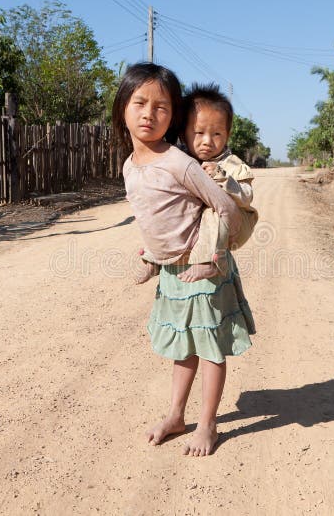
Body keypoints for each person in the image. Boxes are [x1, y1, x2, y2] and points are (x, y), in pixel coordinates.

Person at [114, 62, 256, 456]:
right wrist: (154, 255)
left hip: (206, 270)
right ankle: (176, 415)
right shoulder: (130, 165)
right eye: (140, 102)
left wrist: (213, 254)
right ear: (122, 107)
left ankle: (207, 424)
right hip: (174, 274)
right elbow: (154, 218)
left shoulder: (181, 163)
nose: (148, 113)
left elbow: (224, 207)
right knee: (183, 347)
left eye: (161, 107)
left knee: (210, 346)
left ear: (171, 115)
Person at [135, 83, 259, 284]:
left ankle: (209, 261)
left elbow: (246, 196)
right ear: (184, 134)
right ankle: (154, 257)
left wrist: (222, 177)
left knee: (211, 212)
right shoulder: (183, 162)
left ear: (227, 135)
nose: (207, 141)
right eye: (199, 133)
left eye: (217, 134)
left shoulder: (231, 164)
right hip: (200, 227)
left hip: (233, 223)